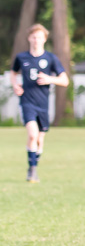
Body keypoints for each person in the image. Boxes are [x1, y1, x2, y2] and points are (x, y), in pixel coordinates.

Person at [10, 24, 70, 183]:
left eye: (39, 37)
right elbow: (13, 72)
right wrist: (15, 85)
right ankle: (32, 170)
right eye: (34, 37)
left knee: (39, 139)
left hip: (42, 104)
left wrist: (50, 79)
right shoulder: (22, 57)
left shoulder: (50, 58)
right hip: (27, 102)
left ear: (44, 39)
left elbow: (64, 81)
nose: (36, 40)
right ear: (29, 38)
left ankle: (34, 164)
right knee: (32, 134)